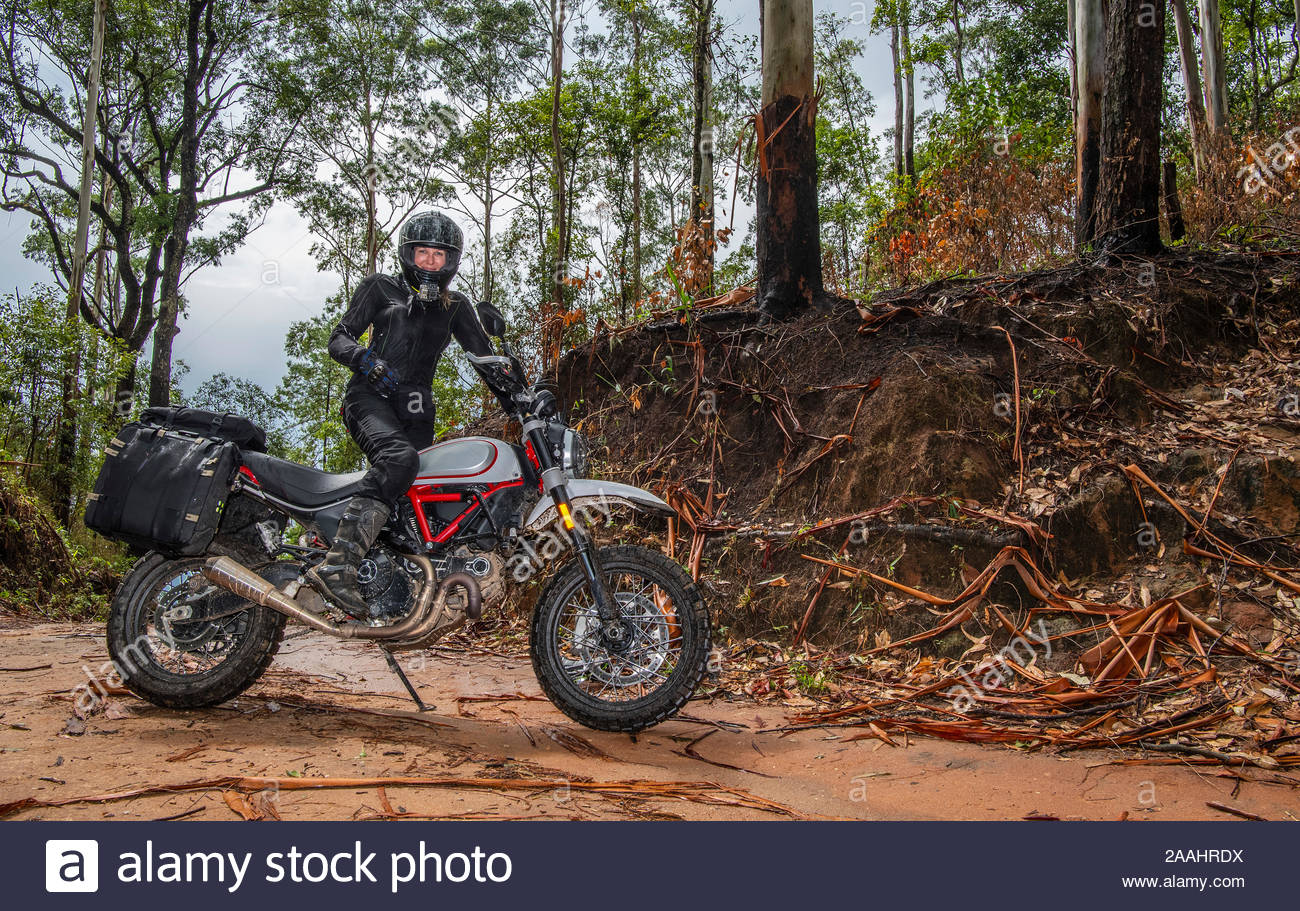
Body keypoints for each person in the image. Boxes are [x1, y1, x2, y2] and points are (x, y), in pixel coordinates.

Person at [306, 210, 504, 614]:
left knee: (415, 494)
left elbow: (486, 361)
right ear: (407, 254)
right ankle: (337, 566)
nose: (430, 262)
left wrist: (521, 397)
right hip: (369, 397)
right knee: (397, 460)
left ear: (451, 261)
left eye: (439, 255)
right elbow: (338, 338)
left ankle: (395, 589)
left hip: (418, 410)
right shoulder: (379, 288)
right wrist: (364, 359)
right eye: (422, 253)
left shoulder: (456, 307)